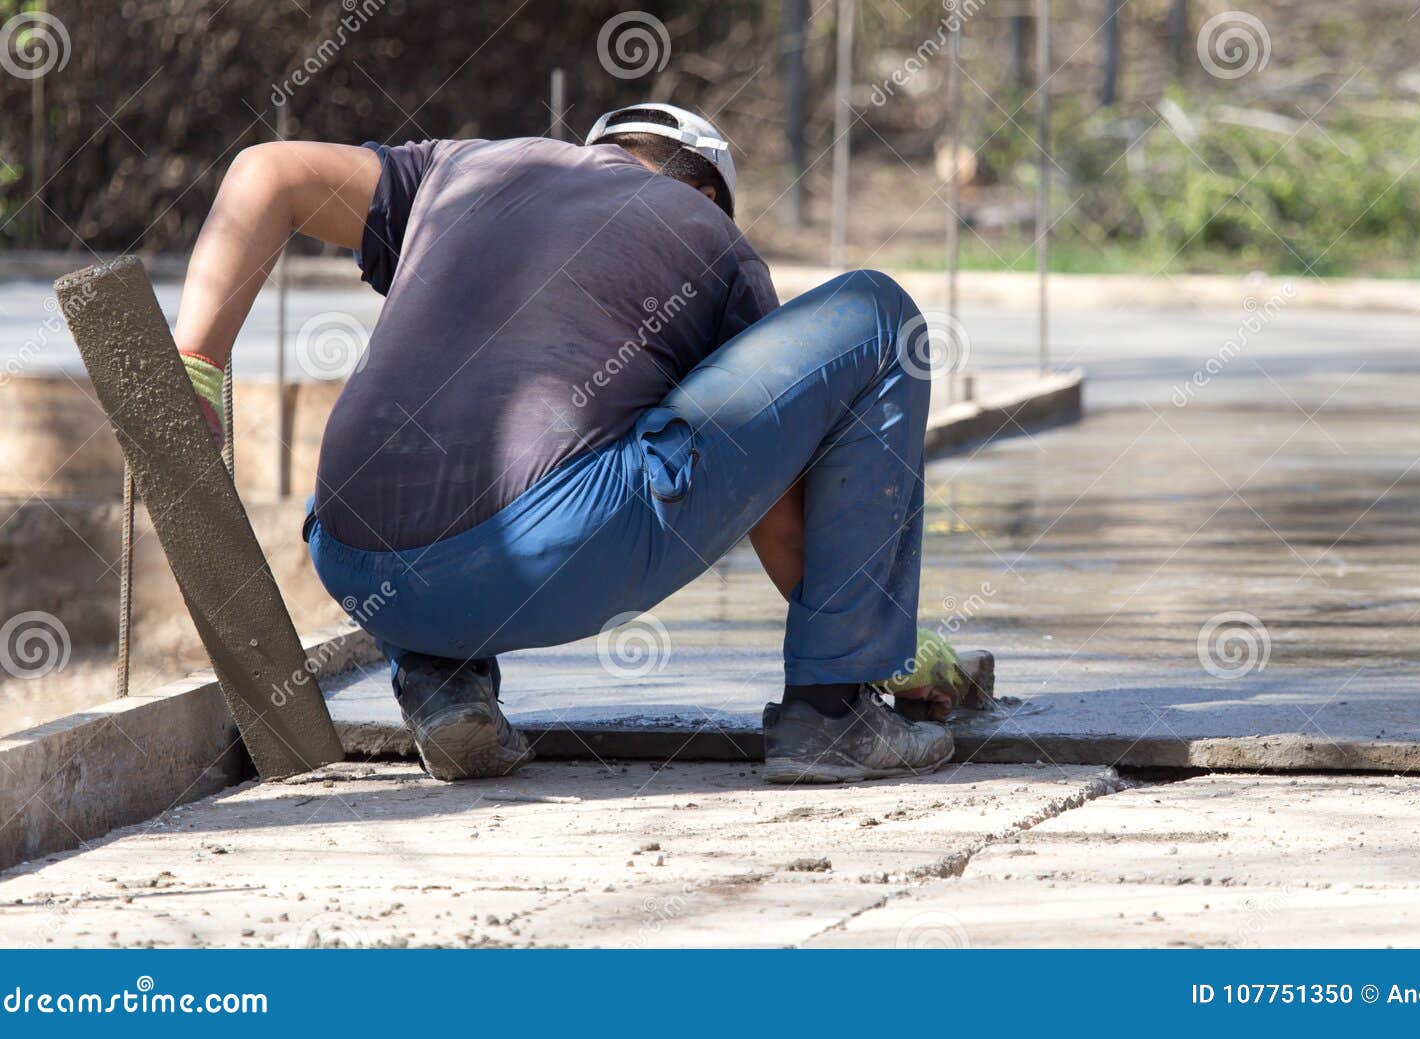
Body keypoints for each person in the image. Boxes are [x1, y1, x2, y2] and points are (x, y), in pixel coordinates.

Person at [171, 103, 956, 784]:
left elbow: (264, 172)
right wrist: (880, 636)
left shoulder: (464, 168)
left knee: (450, 428)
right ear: (709, 190)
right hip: (546, 550)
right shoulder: (710, 235)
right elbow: (777, 512)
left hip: (350, 550)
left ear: (596, 151)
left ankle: (446, 688)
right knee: (878, 313)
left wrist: (196, 370)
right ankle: (833, 717)